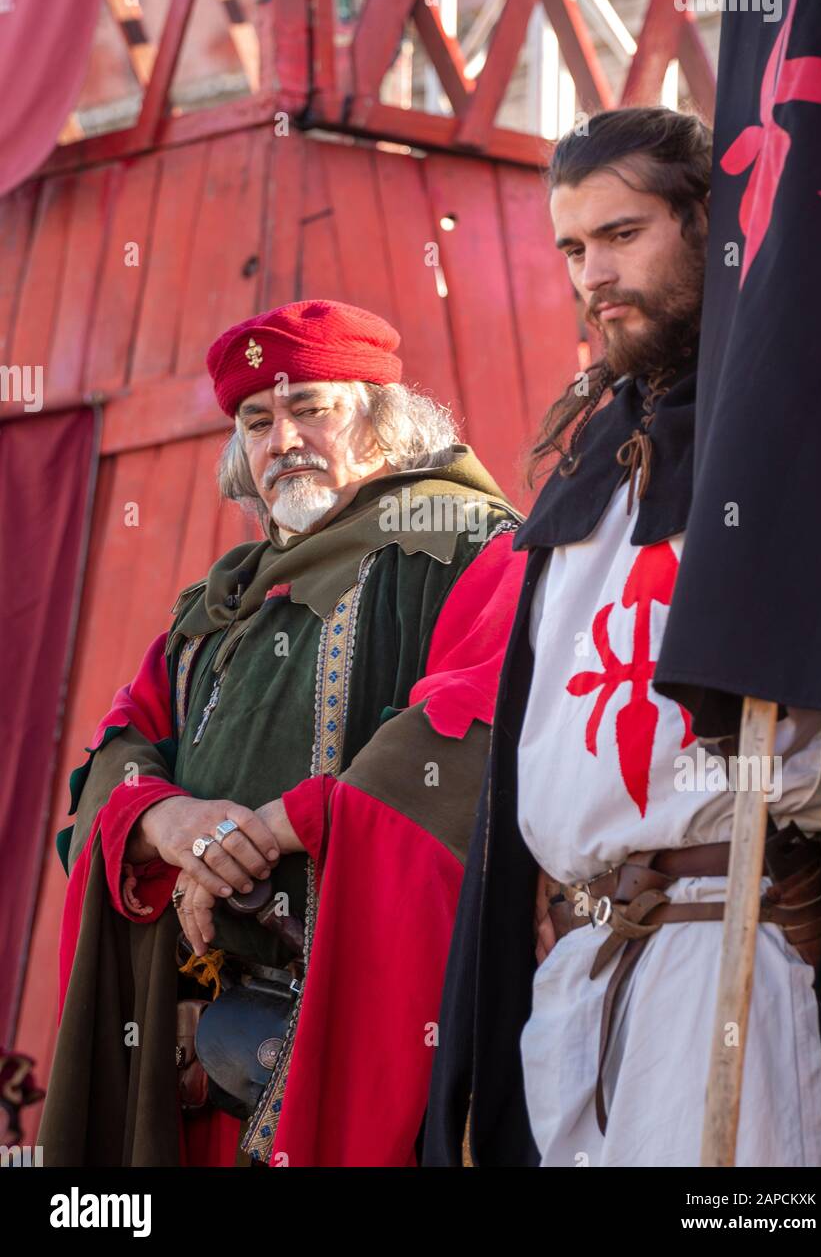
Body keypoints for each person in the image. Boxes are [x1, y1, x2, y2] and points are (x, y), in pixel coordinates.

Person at [424, 108, 821, 1168]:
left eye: (621, 235)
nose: (591, 274)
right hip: (578, 962)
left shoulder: (794, 436)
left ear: (708, 224)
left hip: (731, 953)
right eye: (572, 247)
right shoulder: (587, 458)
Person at [39, 298, 526, 1167]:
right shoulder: (216, 606)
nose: (282, 439)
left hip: (361, 1038)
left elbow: (472, 728)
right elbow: (119, 744)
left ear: (384, 423)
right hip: (201, 1069)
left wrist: (274, 829)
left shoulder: (472, 550)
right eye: (258, 420)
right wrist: (167, 823)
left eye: (311, 408)